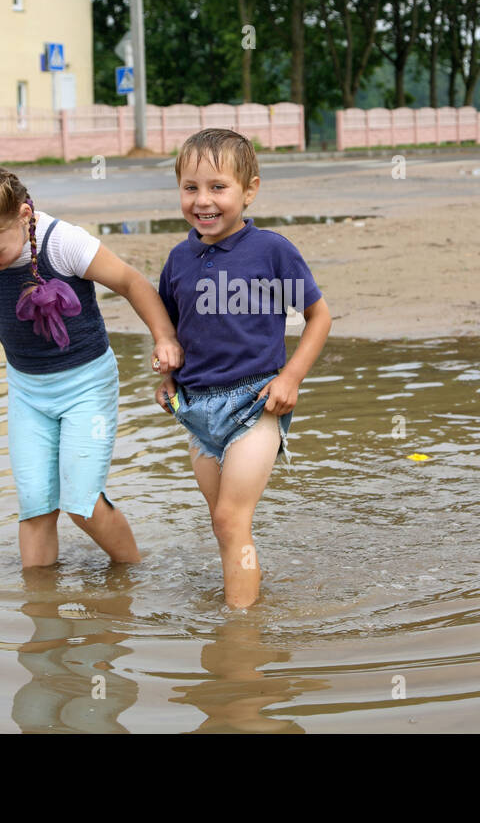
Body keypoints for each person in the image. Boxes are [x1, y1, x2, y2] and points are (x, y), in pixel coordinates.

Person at [0, 160, 183, 568]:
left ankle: (131, 575)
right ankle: (41, 610)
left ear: (24, 215)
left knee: (81, 504)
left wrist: (164, 337)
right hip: (28, 392)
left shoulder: (63, 243)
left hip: (86, 386)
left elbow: (130, 282)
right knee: (35, 503)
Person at [155, 128, 331, 609]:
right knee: (225, 523)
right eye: (190, 188)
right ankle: (250, 599)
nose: (202, 201)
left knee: (230, 520)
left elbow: (318, 317)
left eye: (218, 187)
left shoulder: (270, 251)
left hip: (256, 402)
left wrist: (290, 376)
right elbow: (173, 331)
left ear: (249, 190)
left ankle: (240, 639)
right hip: (196, 409)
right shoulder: (178, 260)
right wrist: (166, 375)